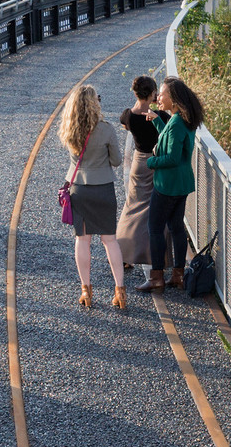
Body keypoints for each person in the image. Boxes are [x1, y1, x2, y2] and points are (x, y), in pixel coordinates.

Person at [59, 83, 125, 308]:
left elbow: (73, 162)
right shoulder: (106, 129)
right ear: (94, 103)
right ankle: (120, 291)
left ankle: (86, 291)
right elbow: (116, 161)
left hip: (80, 188)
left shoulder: (70, 129)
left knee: (82, 240)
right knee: (110, 240)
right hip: (104, 187)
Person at [143, 77, 203, 291]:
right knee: (176, 227)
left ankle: (156, 277)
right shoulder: (183, 119)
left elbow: (172, 158)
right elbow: (171, 137)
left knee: (155, 228)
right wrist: (157, 121)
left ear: (174, 99)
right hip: (182, 183)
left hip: (167, 185)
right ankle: (178, 274)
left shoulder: (177, 123)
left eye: (162, 93)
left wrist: (151, 162)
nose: (158, 97)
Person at [114, 76, 157, 270]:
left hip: (138, 163)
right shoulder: (159, 117)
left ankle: (122, 253)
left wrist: (140, 101)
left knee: (131, 208)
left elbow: (125, 123)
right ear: (153, 94)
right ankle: (150, 255)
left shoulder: (129, 116)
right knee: (152, 210)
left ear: (135, 93)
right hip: (156, 162)